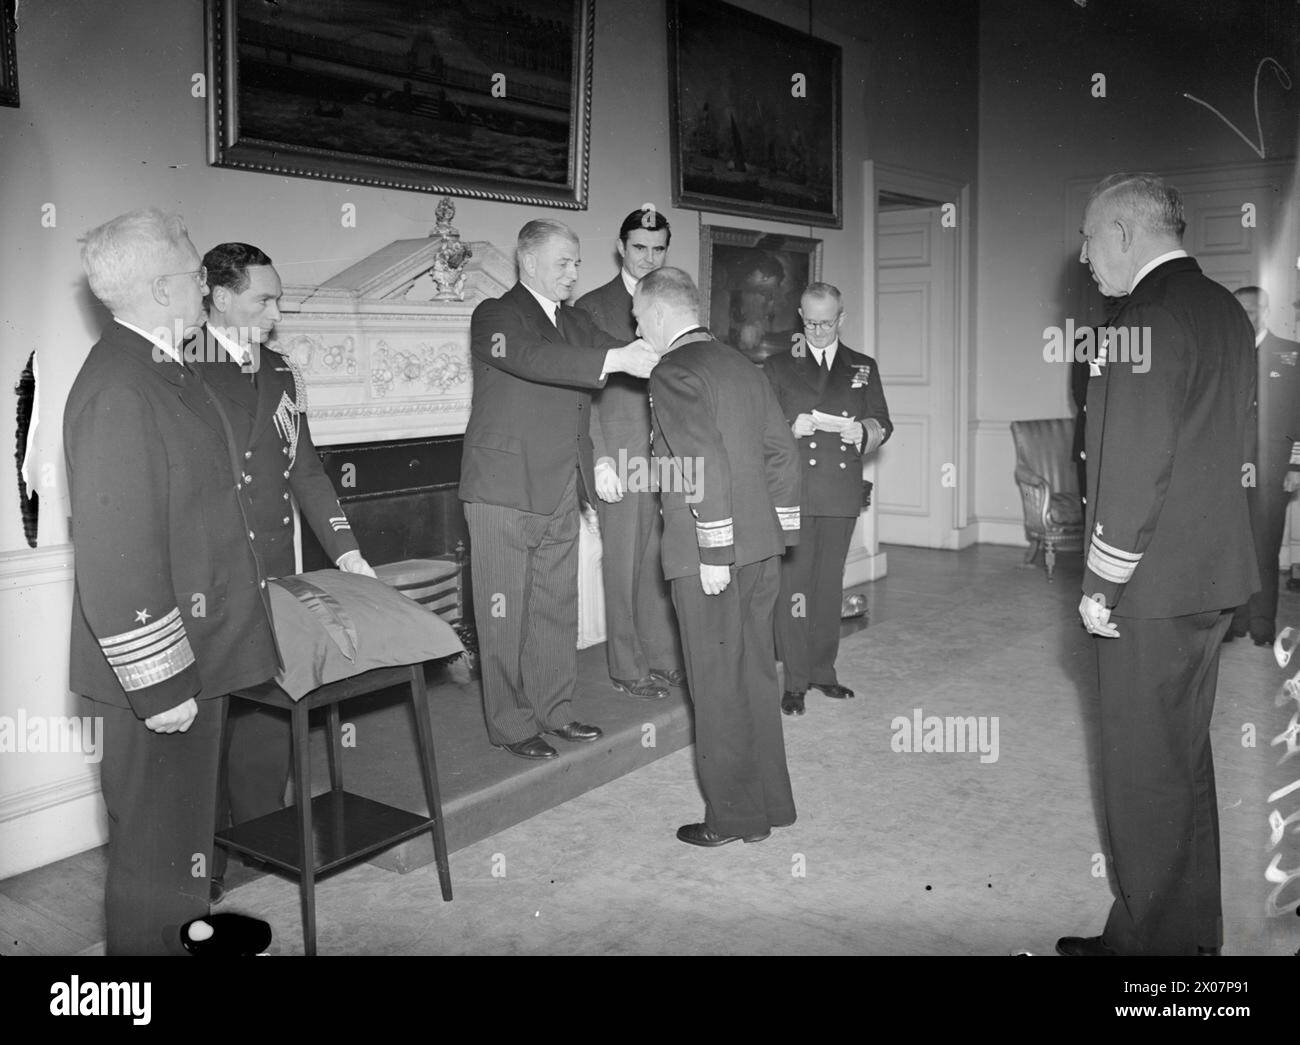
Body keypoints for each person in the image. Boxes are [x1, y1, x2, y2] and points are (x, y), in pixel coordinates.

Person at [66, 209, 277, 954]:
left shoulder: (158, 369)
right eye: (194, 274)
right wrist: (160, 686)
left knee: (183, 849)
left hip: (198, 657)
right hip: (158, 675)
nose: (202, 285)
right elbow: (117, 560)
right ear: (163, 287)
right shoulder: (121, 388)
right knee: (154, 860)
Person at [1062, 173, 1258, 956]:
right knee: (1183, 760)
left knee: (1142, 772)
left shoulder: (1140, 320)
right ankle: (1181, 935)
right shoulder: (1221, 309)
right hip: (1211, 574)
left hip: (1148, 582)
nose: (1081, 257)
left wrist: (1103, 580)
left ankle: (1149, 956)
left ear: (1121, 232)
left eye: (1086, 238)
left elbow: (1136, 464)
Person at [193, 242, 375, 901]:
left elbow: (306, 472)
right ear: (217, 295)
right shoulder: (180, 364)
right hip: (210, 578)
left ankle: (264, 829)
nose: (275, 312)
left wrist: (348, 550)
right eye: (262, 299)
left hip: (273, 570)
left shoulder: (281, 371)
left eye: (277, 299)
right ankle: (204, 857)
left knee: (269, 712)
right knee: (209, 724)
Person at [460, 219, 659, 760]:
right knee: (503, 611)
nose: (574, 272)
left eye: (577, 262)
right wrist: (616, 359)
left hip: (559, 485)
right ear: (528, 262)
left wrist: (677, 349)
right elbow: (531, 359)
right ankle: (511, 722)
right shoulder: (496, 316)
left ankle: (555, 709)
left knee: (555, 605)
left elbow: (621, 351)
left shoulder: (576, 322)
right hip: (501, 488)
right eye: (564, 262)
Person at [638, 266, 802, 846]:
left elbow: (699, 461)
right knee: (756, 674)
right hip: (759, 552)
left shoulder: (673, 370)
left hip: (711, 555)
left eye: (639, 317)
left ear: (659, 313)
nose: (639, 327)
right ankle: (771, 808)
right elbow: (782, 453)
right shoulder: (741, 364)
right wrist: (775, 534)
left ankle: (733, 817)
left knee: (715, 685)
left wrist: (713, 548)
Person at [764, 282, 892, 715]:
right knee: (794, 589)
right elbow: (758, 427)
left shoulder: (863, 366)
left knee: (827, 585)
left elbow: (884, 423)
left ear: (842, 319)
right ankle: (795, 681)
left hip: (839, 493)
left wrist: (864, 433)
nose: (818, 331)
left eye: (827, 322)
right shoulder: (778, 366)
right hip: (796, 492)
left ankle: (824, 673)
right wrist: (787, 426)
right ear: (801, 317)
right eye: (810, 322)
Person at [575, 207, 681, 700]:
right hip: (618, 454)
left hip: (666, 451)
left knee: (660, 556)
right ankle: (626, 666)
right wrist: (597, 458)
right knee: (621, 561)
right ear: (622, 247)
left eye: (658, 248)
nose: (648, 258)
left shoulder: (672, 303)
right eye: (639, 248)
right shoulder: (593, 307)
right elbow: (584, 394)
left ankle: (661, 656)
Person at [1228, 286, 1300, 646]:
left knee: (1265, 548)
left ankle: (1261, 624)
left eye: (1252, 310)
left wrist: (1296, 468)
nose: (1246, 316)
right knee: (1232, 544)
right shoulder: (1225, 352)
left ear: (1266, 310)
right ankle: (1234, 621)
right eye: (1239, 309)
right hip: (1231, 469)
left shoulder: (1290, 354)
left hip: (1273, 470)